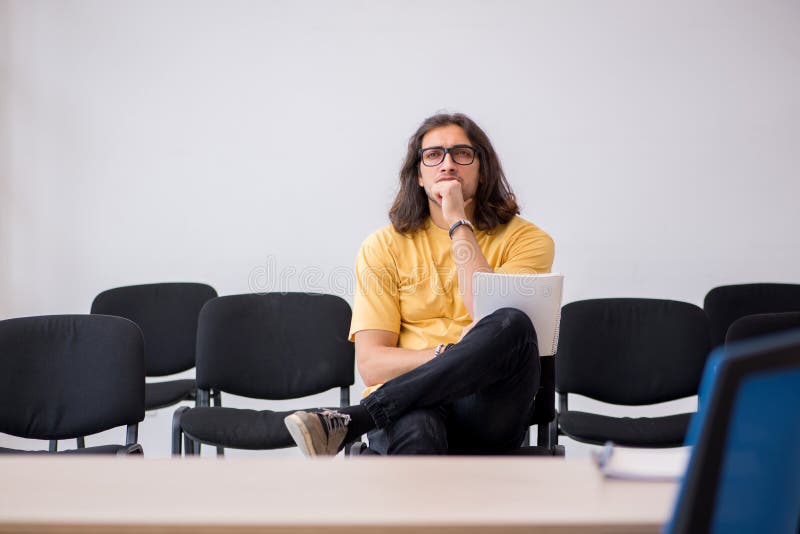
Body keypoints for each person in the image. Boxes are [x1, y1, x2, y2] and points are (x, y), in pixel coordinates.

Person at [284, 112, 554, 455]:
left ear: (482, 169)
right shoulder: (382, 246)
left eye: (462, 153)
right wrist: (445, 354)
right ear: (419, 176)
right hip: (408, 406)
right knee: (417, 427)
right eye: (433, 155)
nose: (448, 164)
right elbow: (371, 366)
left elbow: (484, 311)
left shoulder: (528, 240)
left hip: (488, 408)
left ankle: (355, 420)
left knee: (512, 322)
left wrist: (458, 220)